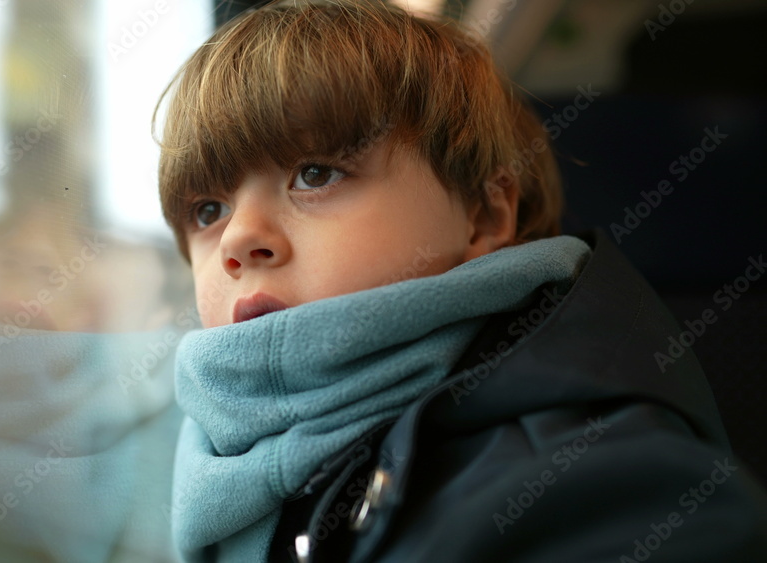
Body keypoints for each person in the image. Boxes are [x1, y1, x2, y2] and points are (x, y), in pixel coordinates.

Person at [153, 1, 767, 561]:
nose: (236, 240)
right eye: (207, 211)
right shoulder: (218, 469)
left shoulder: (594, 484)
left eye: (315, 174)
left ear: (483, 216)